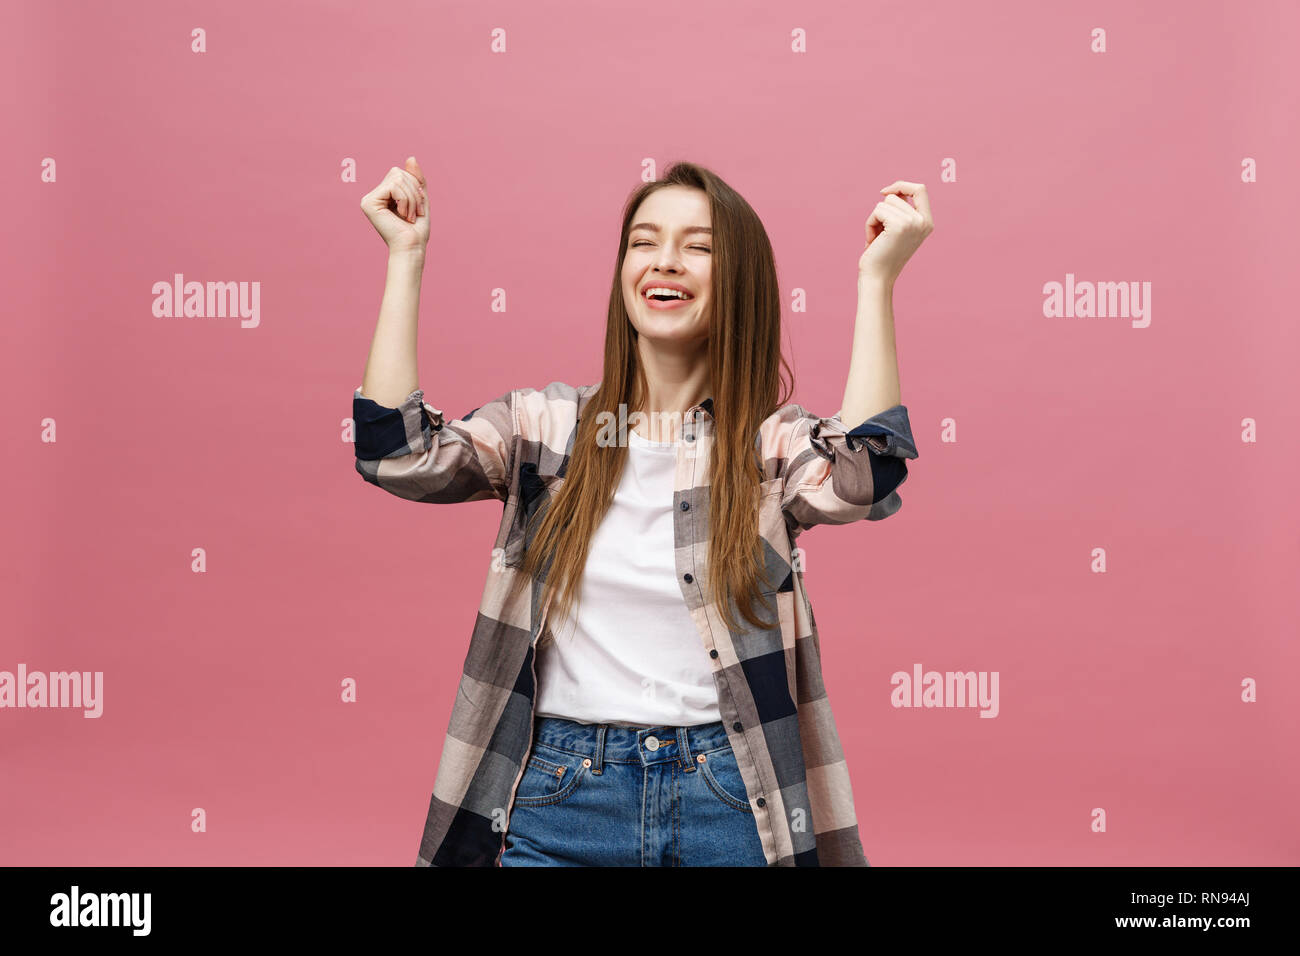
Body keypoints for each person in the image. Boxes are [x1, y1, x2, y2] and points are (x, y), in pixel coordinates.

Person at [353, 156, 931, 867]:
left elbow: (867, 476)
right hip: (561, 798)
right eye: (644, 241)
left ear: (740, 280)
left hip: (730, 795)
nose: (667, 262)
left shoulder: (768, 444)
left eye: (699, 246)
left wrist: (878, 281)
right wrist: (406, 257)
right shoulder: (548, 427)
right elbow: (397, 456)